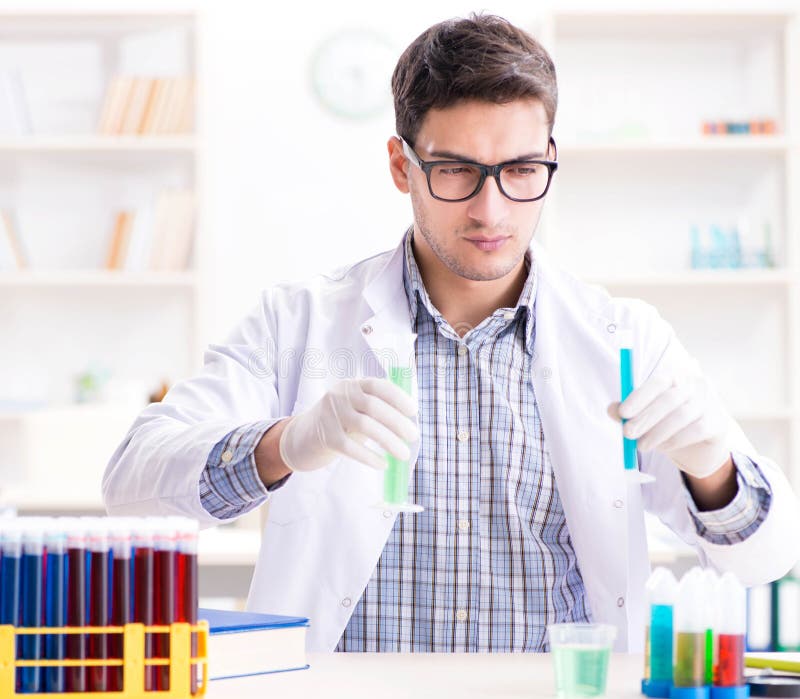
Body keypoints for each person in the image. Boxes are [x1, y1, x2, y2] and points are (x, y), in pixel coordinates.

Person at [103, 14, 800, 653]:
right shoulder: (301, 321)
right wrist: (283, 443)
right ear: (402, 165)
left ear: (550, 159)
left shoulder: (625, 339)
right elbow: (131, 482)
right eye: (457, 171)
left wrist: (713, 469)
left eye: (522, 170)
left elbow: (766, 558)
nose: (491, 208)